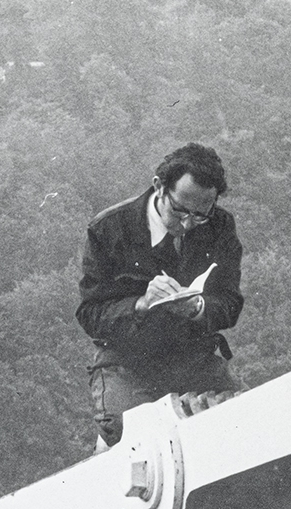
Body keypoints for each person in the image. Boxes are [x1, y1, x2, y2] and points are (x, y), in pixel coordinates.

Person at [76, 142, 245, 447]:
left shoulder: (220, 227)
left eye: (199, 216)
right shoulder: (110, 229)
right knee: (129, 437)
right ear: (159, 186)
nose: (186, 223)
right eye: (178, 210)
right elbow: (90, 314)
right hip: (127, 362)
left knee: (241, 423)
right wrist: (139, 305)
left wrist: (198, 307)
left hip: (192, 356)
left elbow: (230, 302)